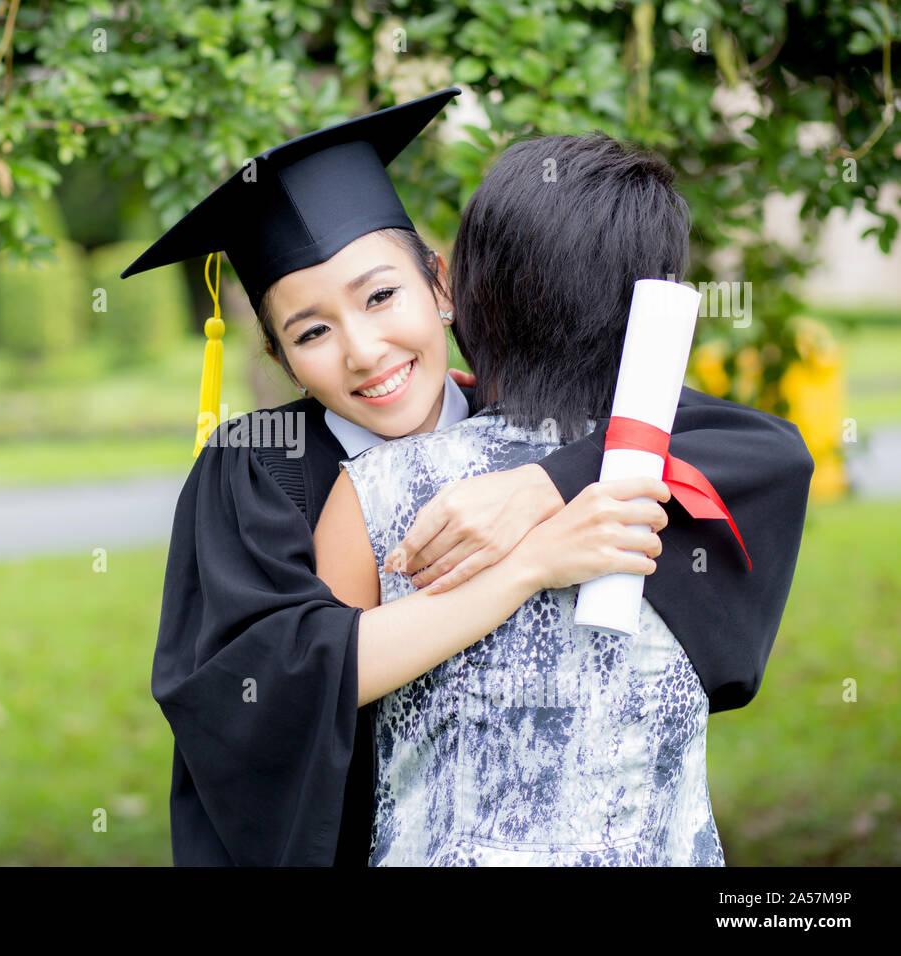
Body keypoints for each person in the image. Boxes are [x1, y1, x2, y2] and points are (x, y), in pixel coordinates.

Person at [121, 89, 814, 866]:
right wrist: (526, 565)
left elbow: (747, 443)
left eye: (382, 296)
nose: (363, 350)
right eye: (311, 332)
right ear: (280, 359)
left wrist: (544, 486)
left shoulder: (540, 412)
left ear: (442, 288)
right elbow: (267, 682)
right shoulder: (257, 465)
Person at [313, 132, 813, 865]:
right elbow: (733, 675)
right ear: (653, 318)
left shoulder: (374, 491)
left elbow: (319, 723)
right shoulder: (693, 488)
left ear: (463, 292)